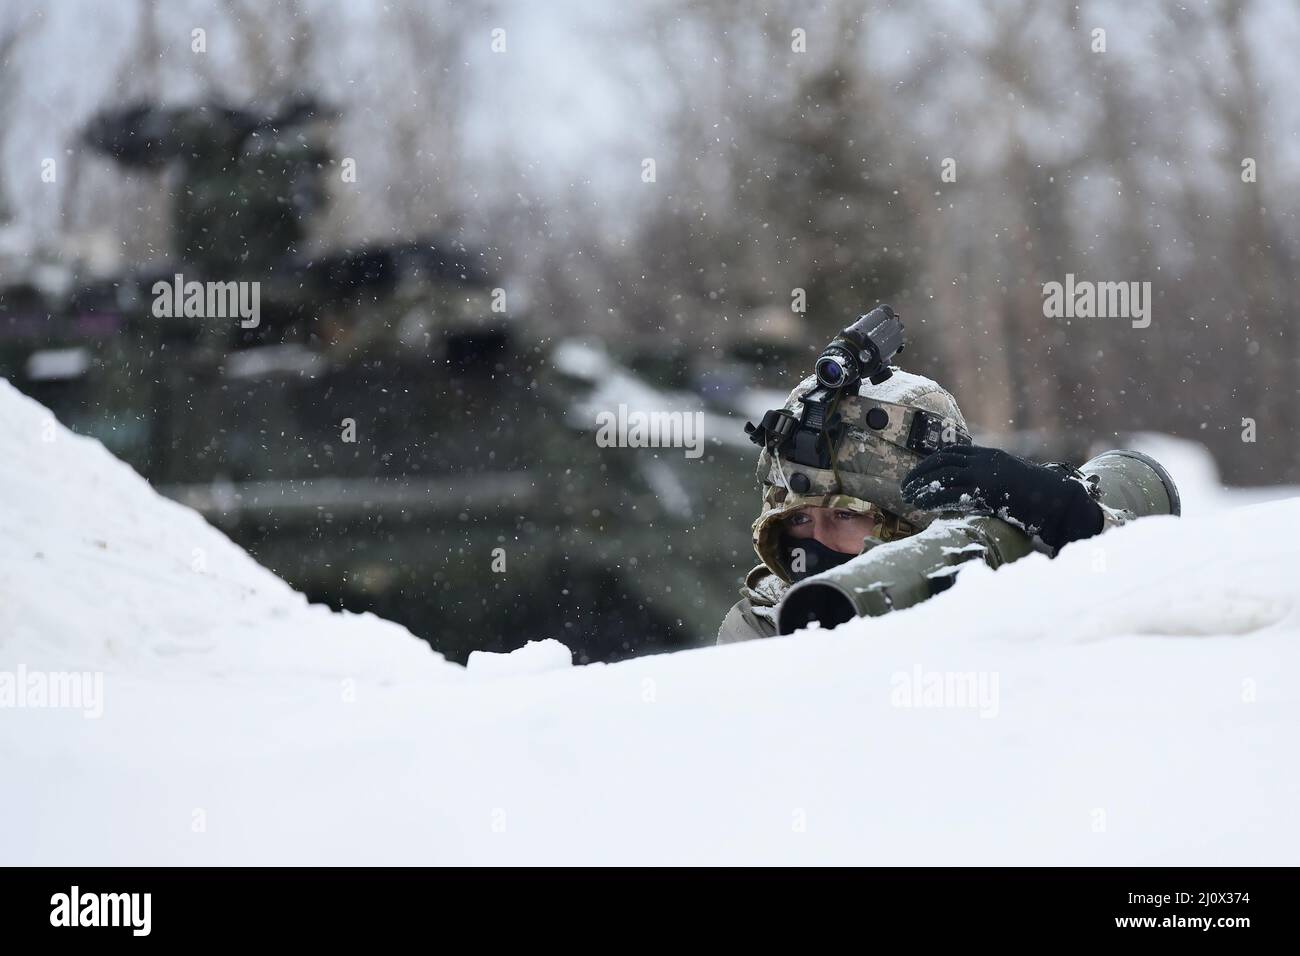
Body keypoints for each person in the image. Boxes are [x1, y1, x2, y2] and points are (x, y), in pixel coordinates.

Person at [716, 368, 1139, 644]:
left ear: (916, 522)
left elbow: (1156, 599)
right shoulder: (763, 629)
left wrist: (1073, 519)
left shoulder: (1007, 581)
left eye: (845, 515)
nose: (815, 542)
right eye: (800, 519)